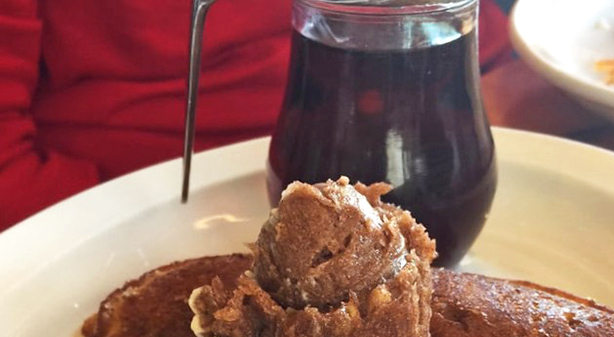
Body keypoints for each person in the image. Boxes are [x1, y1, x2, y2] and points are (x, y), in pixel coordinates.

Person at [0, 0, 511, 231]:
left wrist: (470, 125)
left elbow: (515, 55)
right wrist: (135, 227)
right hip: (133, 215)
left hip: (457, 175)